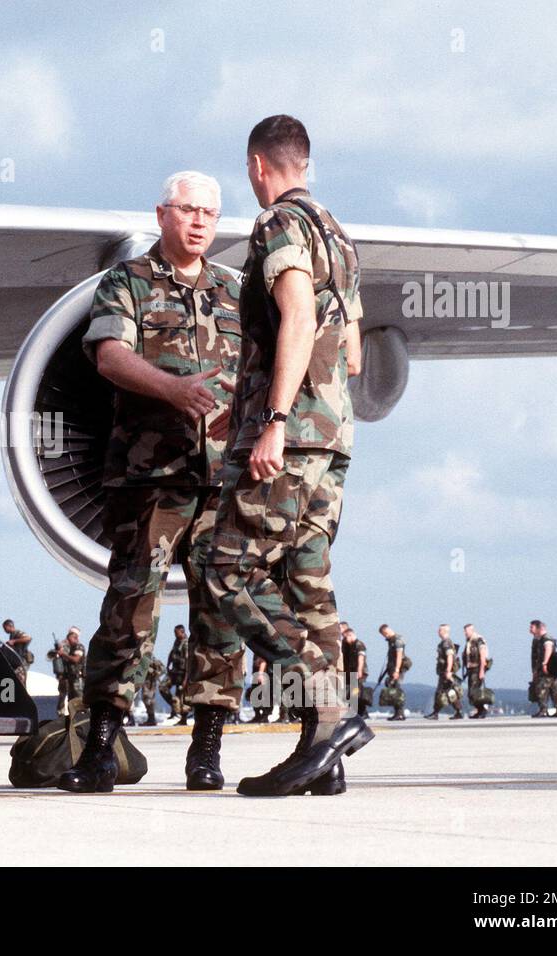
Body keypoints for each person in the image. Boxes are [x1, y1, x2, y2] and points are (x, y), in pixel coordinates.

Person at [57, 170, 244, 794]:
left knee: (219, 610)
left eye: (209, 214)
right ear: (162, 213)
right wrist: (172, 390)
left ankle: (207, 748)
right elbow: (109, 354)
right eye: (187, 210)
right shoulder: (127, 283)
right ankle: (102, 747)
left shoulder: (236, 293)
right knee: (130, 607)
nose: (197, 223)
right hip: (151, 478)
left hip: (220, 481)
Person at [200, 116, 372, 797]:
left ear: (257, 166)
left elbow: (296, 316)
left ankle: (327, 706)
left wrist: (273, 419)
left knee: (225, 570)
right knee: (306, 583)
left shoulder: (278, 224)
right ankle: (319, 756)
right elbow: (352, 355)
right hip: (332, 436)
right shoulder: (341, 236)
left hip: (290, 433)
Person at [426, 624, 464, 720]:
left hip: (446, 672)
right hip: (444, 672)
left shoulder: (446, 643)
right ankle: (458, 711)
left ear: (444, 631)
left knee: (441, 692)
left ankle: (435, 713)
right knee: (449, 692)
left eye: (440, 630)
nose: (438, 632)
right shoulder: (445, 642)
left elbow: (450, 657)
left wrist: (448, 671)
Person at [529, 620, 557, 718]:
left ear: (538, 628)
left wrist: (544, 663)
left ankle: (544, 710)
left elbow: (548, 648)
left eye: (532, 627)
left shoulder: (546, 638)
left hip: (547, 669)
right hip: (549, 669)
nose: (530, 629)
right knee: (553, 689)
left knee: (542, 689)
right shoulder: (539, 639)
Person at [49, 628, 85, 716]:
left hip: (78, 678)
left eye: (70, 638)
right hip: (70, 678)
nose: (67, 640)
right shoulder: (69, 649)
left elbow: (76, 659)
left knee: (78, 700)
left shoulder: (78, 647)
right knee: (71, 701)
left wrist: (63, 654)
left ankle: (82, 716)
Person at [160, 624, 191, 725]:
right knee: (162, 687)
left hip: (183, 673)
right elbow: (171, 653)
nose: (175, 635)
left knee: (182, 695)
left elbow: (188, 662)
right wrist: (168, 665)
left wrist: (185, 679)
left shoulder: (186, 644)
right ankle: (175, 707)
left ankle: (183, 718)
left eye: (177, 633)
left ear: (182, 632)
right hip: (174, 672)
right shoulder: (177, 641)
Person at [461, 624, 491, 718]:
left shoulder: (479, 640)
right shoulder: (469, 641)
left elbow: (483, 657)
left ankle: (483, 710)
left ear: (472, 630)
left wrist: (482, 671)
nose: (465, 633)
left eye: (466, 631)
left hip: (477, 668)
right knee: (472, 693)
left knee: (473, 692)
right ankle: (480, 711)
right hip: (471, 669)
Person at [340, 623, 368, 719]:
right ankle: (356, 711)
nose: (344, 639)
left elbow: (361, 658)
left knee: (357, 692)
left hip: (359, 672)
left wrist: (359, 671)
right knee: (352, 692)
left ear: (350, 635)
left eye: (345, 637)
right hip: (351, 672)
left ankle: (362, 712)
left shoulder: (359, 645)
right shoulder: (349, 645)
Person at [379, 625, 407, 721]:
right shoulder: (392, 640)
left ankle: (399, 713)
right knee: (394, 689)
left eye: (384, 634)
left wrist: (397, 670)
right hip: (393, 667)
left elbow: (399, 656)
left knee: (396, 690)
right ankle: (398, 713)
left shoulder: (397, 640)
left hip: (397, 668)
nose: (385, 637)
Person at [1, 618, 33, 687]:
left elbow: (28, 638)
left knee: (20, 681)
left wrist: (14, 641)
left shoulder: (17, 633)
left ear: (9, 626)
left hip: (22, 661)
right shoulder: (12, 635)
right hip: (17, 661)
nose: (4, 630)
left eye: (5, 627)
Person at [139, 656, 165, 726]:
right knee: (146, 699)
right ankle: (150, 718)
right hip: (146, 681)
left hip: (150, 682)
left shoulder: (152, 659)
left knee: (149, 699)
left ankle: (151, 719)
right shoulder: (145, 658)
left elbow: (162, 669)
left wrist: (155, 673)